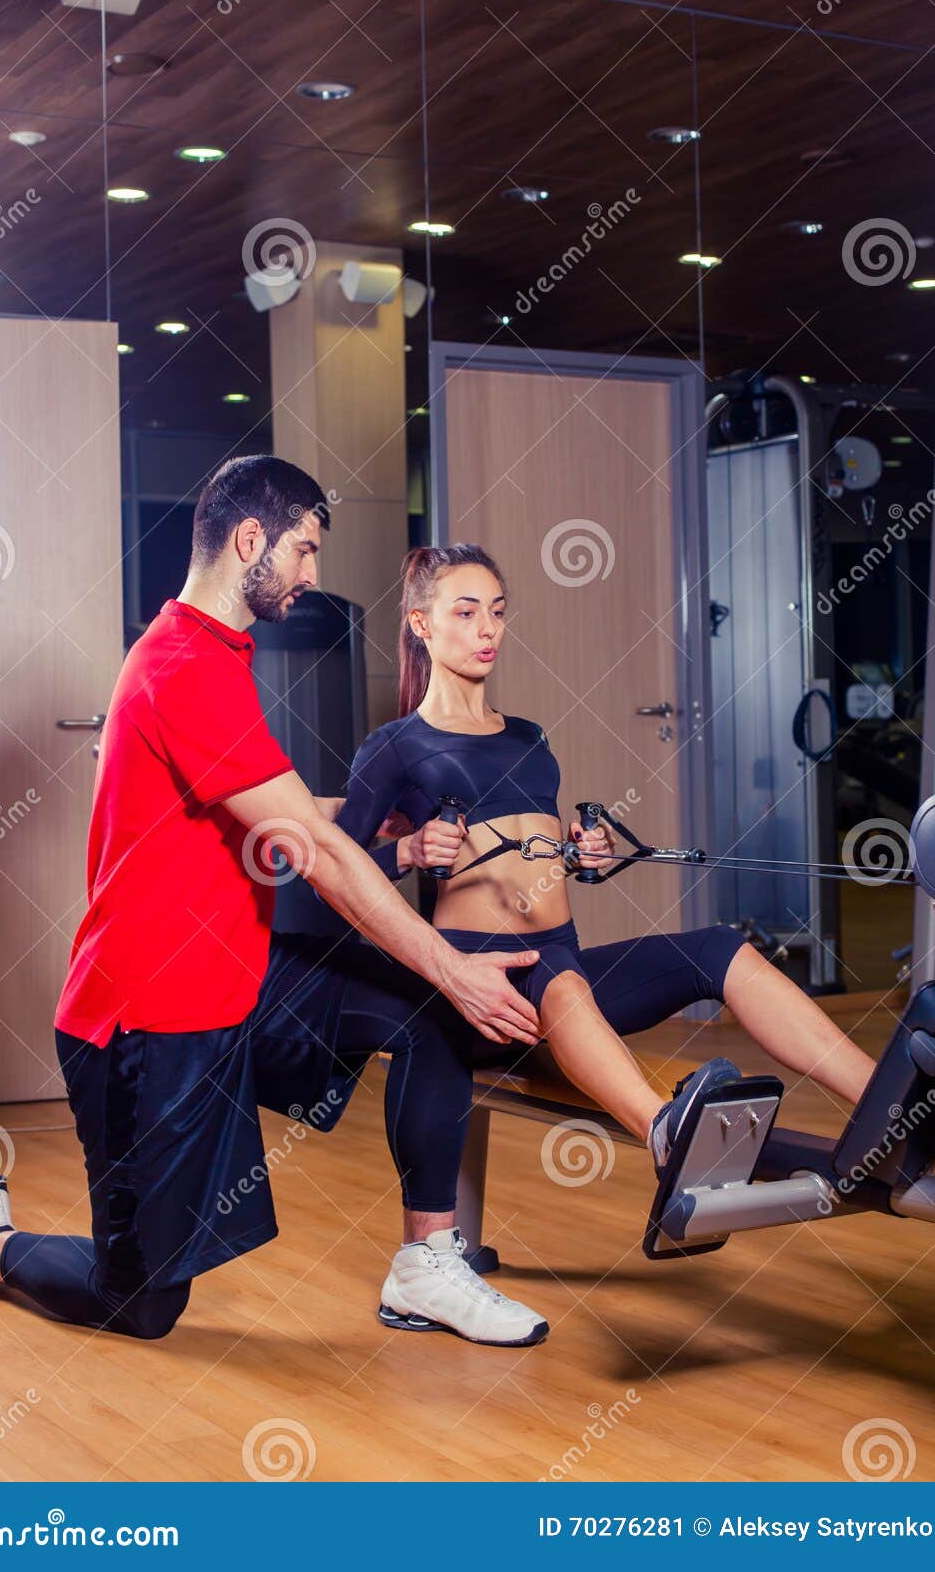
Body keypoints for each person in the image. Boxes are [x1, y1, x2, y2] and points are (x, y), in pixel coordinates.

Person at [0, 460, 546, 1345]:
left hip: (239, 982)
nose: (311, 574)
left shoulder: (213, 653)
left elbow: (274, 806)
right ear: (249, 540)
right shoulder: (182, 664)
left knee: (422, 1012)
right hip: (147, 1023)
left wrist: (396, 841)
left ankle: (425, 1261)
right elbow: (311, 846)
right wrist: (454, 962)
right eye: (304, 550)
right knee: (136, 1302)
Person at [317, 542, 879, 1331]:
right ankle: (664, 1136)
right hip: (477, 990)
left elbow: (544, 859)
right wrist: (404, 851)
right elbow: (336, 869)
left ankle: (885, 1103)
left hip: (559, 967)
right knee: (561, 983)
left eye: (498, 611)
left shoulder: (530, 737)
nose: (488, 630)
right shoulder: (397, 745)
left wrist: (588, 857)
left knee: (716, 948)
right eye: (466, 612)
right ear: (420, 624)